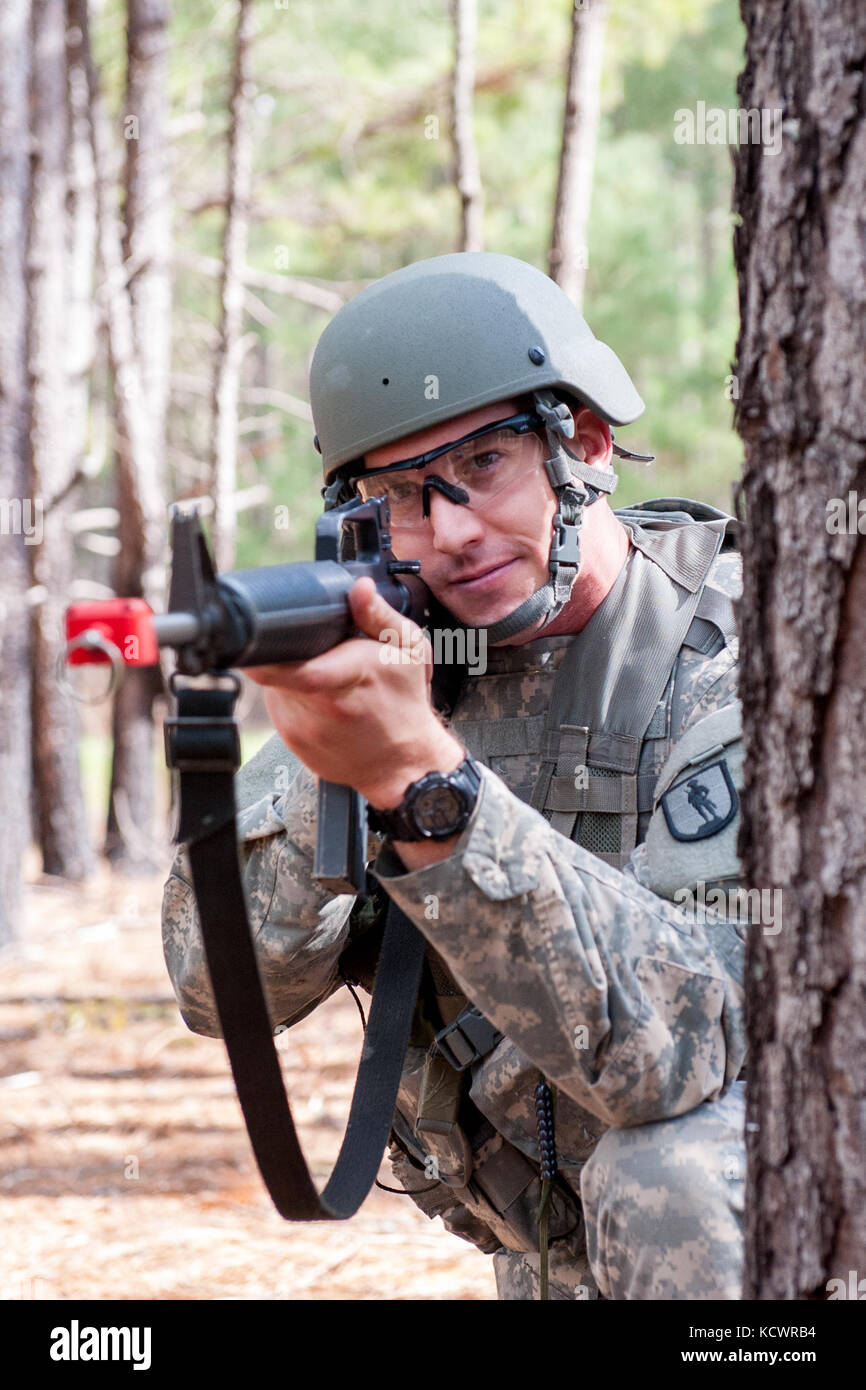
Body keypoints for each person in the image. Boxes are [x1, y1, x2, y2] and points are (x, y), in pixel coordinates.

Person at [162, 252, 748, 1300]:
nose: (452, 532)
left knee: (675, 1164)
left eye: (482, 465)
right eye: (399, 496)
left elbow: (682, 1050)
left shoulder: (732, 658)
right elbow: (212, 988)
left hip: (747, 1246)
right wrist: (328, 761)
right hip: (547, 1263)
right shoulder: (410, 663)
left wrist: (420, 779)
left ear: (584, 442)